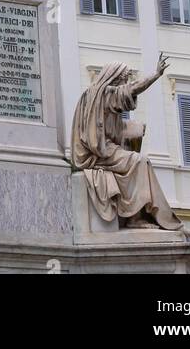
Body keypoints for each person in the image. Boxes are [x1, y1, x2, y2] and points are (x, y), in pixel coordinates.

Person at [70, 58, 183, 229]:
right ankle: (138, 218)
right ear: (115, 78)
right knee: (139, 162)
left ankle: (147, 215)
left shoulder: (95, 97)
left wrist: (133, 129)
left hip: (99, 149)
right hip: (95, 153)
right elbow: (132, 89)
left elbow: (106, 127)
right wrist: (156, 75)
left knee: (136, 160)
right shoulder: (102, 93)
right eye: (124, 79)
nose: (126, 83)